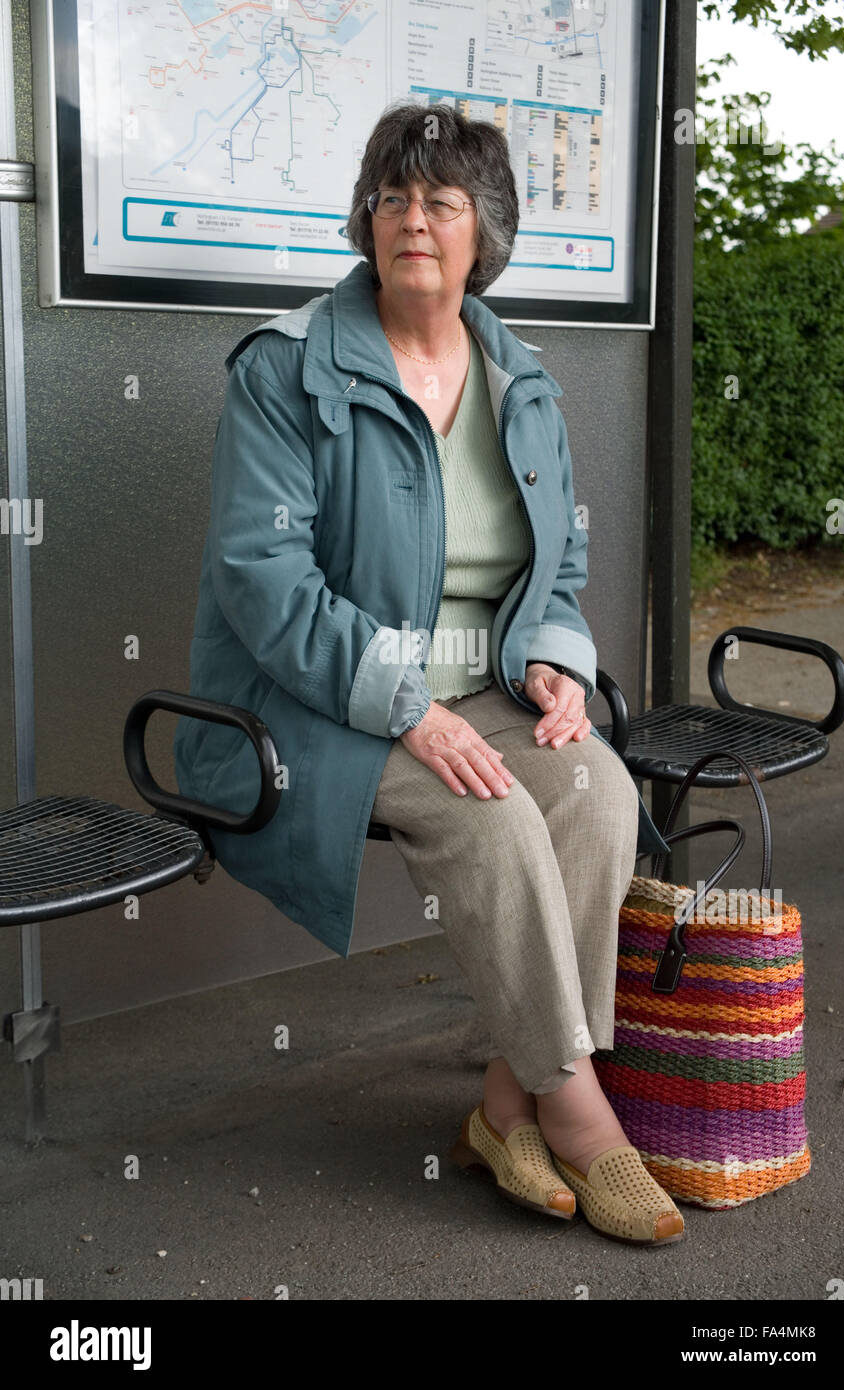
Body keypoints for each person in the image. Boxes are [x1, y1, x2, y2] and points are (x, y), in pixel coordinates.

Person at [174, 100, 683, 1246]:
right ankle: (578, 1110)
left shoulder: (522, 380)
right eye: (392, 198)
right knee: (496, 819)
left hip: (480, 693)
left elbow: (560, 566)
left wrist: (554, 663)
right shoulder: (287, 366)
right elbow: (263, 576)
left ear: (480, 232)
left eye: (440, 201)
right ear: (365, 222)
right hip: (318, 704)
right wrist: (404, 706)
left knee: (599, 793)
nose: (413, 219)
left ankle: (505, 1104)